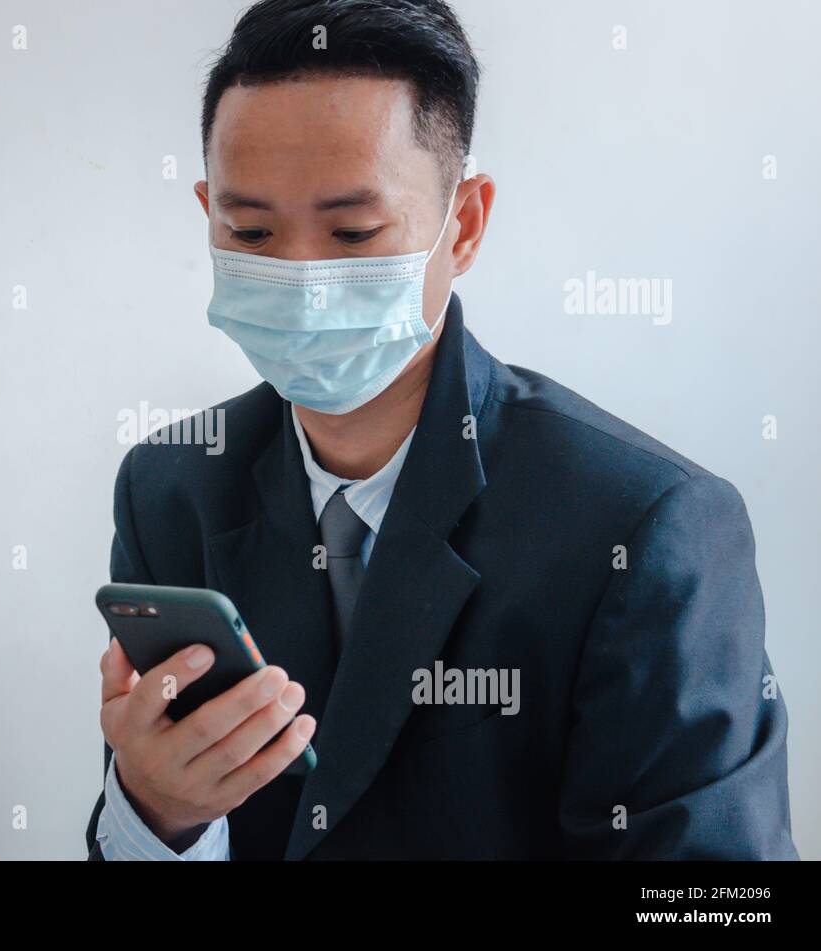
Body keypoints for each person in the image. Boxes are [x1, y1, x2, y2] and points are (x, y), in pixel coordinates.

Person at [86, 0, 797, 860]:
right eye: (250, 231)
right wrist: (158, 811)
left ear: (462, 224)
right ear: (207, 214)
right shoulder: (172, 489)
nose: (301, 276)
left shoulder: (646, 526)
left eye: (353, 231)